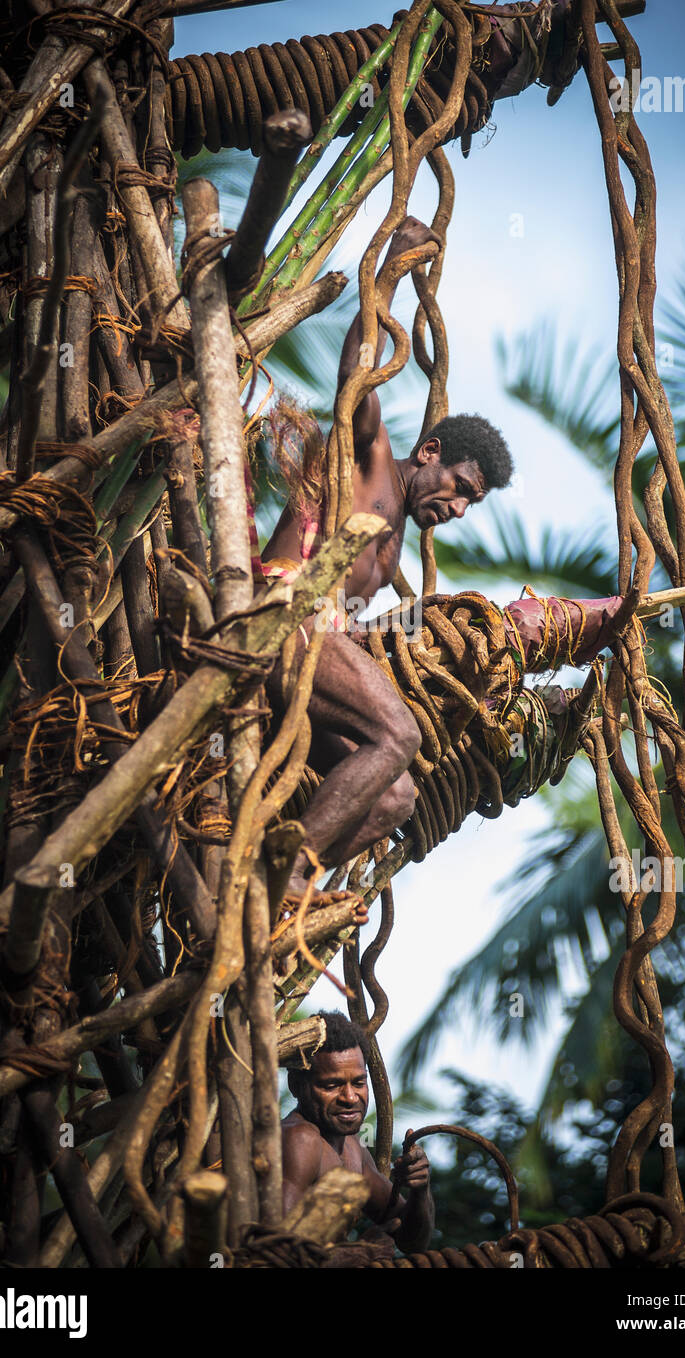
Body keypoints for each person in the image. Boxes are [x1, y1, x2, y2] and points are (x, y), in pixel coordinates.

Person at [262, 215, 513, 884]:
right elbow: (357, 374)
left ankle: (284, 880)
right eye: (458, 488)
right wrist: (391, 274)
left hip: (320, 652)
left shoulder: (396, 535)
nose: (457, 509)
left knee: (397, 794)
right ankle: (284, 880)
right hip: (280, 618)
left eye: (470, 505)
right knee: (397, 733)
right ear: (428, 453)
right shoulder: (368, 460)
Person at [282, 1011, 434, 1252]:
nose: (350, 1097)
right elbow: (268, 1250)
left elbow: (412, 1241)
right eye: (331, 1085)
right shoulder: (300, 1140)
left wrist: (420, 1189)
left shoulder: (352, 1146)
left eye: (358, 1083)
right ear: (296, 1086)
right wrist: (350, 1254)